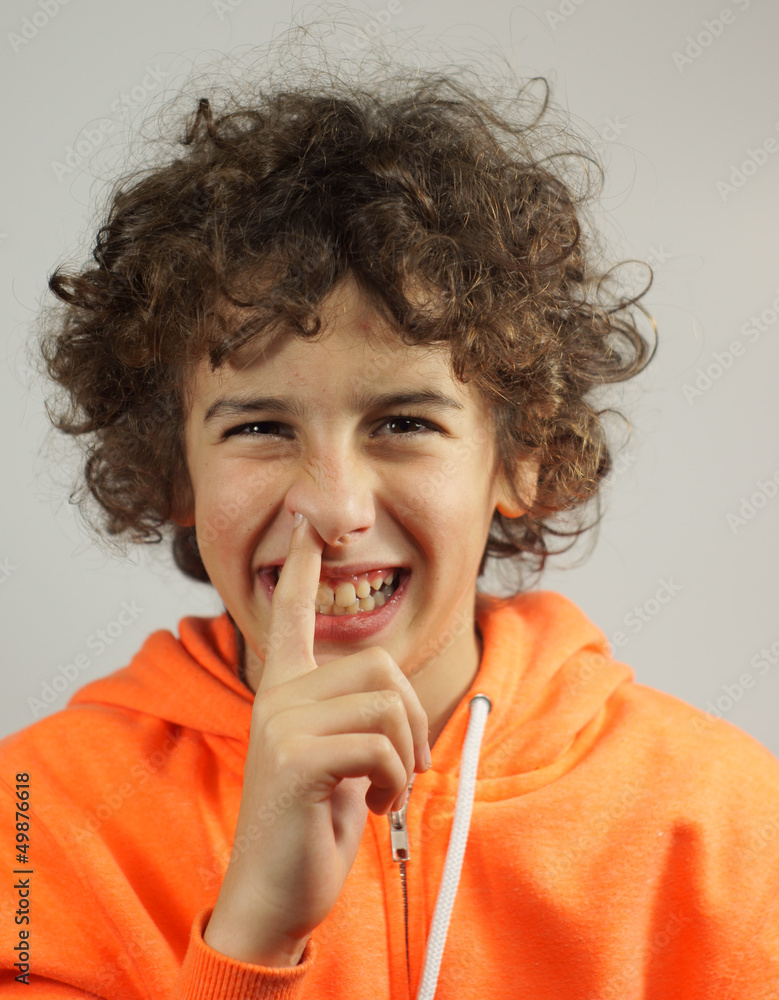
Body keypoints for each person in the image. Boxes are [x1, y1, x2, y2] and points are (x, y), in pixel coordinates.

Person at [2, 59, 779, 999]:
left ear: (519, 455)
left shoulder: (723, 819)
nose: (333, 509)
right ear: (170, 470)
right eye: (257, 427)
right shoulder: (33, 815)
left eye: (406, 424)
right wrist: (251, 933)